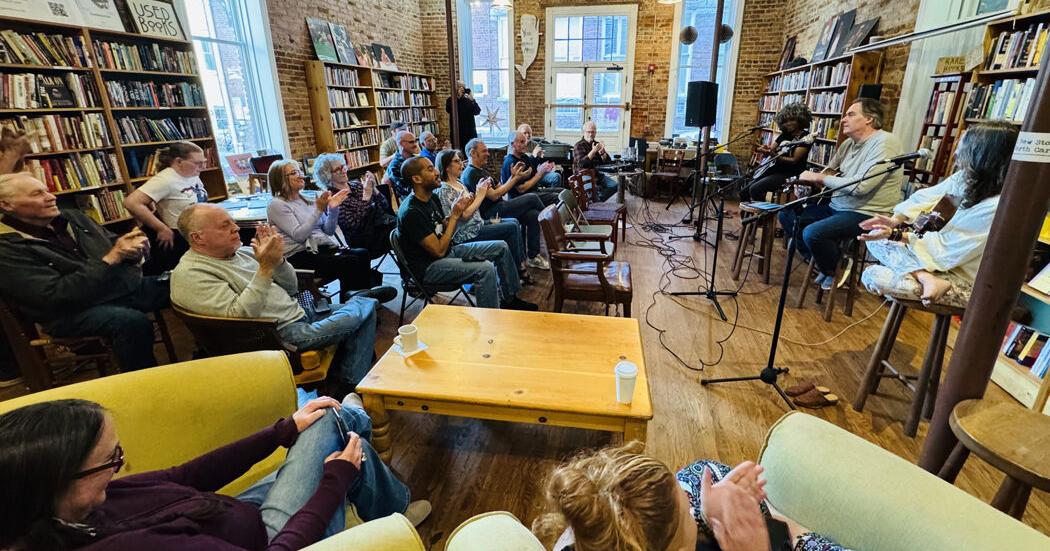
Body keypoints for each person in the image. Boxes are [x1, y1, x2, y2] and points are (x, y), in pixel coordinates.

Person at [0, 396, 431, 550]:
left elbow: (184, 476)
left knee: (327, 432)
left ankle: (386, 502)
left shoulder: (77, 508)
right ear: (58, 482)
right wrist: (333, 483)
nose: (122, 467)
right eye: (112, 459)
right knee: (334, 426)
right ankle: (392, 507)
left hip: (221, 515)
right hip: (269, 538)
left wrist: (281, 430)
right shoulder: (132, 545)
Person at [172, 203, 384, 390]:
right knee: (363, 310)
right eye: (224, 225)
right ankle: (362, 300)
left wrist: (278, 260)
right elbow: (239, 317)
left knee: (365, 314)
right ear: (197, 238)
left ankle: (349, 383)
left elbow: (292, 288)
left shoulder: (241, 252)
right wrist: (265, 268)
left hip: (300, 312)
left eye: (232, 222)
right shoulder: (192, 275)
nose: (236, 228)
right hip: (277, 337)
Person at [533, 443, 852, 551]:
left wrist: (709, 513)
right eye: (687, 513)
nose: (692, 506)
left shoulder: (588, 534)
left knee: (703, 471)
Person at [0, 172, 168, 372]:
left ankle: (206, 350)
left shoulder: (73, 217)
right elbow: (54, 295)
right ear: (6, 205)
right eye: (37, 194)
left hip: (116, 290)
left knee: (181, 283)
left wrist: (134, 250)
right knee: (131, 322)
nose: (51, 197)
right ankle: (145, 386)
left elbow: (114, 243)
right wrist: (110, 259)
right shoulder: (7, 248)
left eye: (47, 190)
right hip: (70, 313)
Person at [859, 122, 1017, 308]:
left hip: (962, 279)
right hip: (930, 265)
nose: (957, 153)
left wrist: (897, 235)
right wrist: (894, 221)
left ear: (982, 155)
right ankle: (924, 278)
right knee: (874, 239)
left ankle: (919, 277)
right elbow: (924, 196)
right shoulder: (965, 179)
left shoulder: (998, 206)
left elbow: (947, 249)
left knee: (873, 275)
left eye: (963, 146)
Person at [778, 98, 904, 291]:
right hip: (838, 206)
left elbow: (861, 187)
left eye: (851, 114)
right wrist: (805, 179)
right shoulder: (848, 145)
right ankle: (828, 263)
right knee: (786, 214)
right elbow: (829, 171)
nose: (843, 119)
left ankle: (836, 267)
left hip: (866, 212)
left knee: (813, 233)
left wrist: (817, 177)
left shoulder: (885, 142)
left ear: (870, 119)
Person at [396, 156, 537, 310]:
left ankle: (510, 300)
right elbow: (438, 251)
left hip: (448, 251)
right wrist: (456, 215)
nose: (437, 172)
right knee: (485, 268)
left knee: (501, 247)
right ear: (416, 178)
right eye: (430, 169)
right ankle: (492, 322)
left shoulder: (432, 198)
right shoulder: (411, 212)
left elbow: (442, 225)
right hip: (428, 267)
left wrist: (459, 210)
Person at [267, 159, 394, 303]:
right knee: (349, 262)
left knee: (362, 254)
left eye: (300, 171)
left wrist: (333, 210)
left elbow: (329, 230)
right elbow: (299, 235)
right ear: (280, 179)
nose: (301, 175)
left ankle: (364, 301)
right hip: (297, 256)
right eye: (294, 172)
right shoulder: (277, 205)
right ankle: (352, 306)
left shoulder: (308, 198)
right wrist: (319, 210)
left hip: (319, 249)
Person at [433, 149, 528, 278]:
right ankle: (517, 271)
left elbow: (468, 207)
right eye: (456, 161)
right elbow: (463, 216)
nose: (461, 163)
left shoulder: (459, 183)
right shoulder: (444, 190)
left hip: (478, 224)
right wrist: (480, 194)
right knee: (511, 228)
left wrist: (477, 193)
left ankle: (518, 265)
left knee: (514, 222)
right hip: (467, 233)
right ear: (447, 167)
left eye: (460, 160)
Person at [122, 141, 208, 275]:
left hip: (193, 232)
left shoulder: (191, 174)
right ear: (179, 161)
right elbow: (131, 202)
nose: (202, 167)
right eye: (197, 163)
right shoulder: (165, 179)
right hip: (177, 238)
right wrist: (161, 228)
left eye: (204, 162)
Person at [463, 138, 549, 269]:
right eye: (484, 151)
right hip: (490, 214)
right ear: (473, 153)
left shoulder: (482, 170)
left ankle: (533, 256)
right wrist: (515, 179)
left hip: (500, 206)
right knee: (532, 197)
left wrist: (514, 177)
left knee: (533, 215)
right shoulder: (471, 173)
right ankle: (552, 227)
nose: (488, 153)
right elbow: (494, 195)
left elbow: (501, 188)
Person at [313, 153, 395, 259]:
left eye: (343, 166)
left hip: (382, 227)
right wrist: (366, 197)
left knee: (407, 224)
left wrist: (374, 188)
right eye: (337, 169)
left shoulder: (356, 185)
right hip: (364, 241)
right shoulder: (334, 198)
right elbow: (354, 225)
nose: (343, 170)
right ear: (327, 175)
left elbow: (385, 206)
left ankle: (410, 269)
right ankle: (411, 270)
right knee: (403, 231)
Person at [739, 103, 813, 202]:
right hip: (774, 169)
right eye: (785, 121)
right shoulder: (785, 134)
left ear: (800, 119)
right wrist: (764, 149)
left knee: (755, 189)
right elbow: (771, 149)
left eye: (792, 120)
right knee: (744, 192)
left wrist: (774, 155)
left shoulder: (805, 137)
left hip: (790, 174)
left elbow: (794, 160)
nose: (788, 123)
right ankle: (748, 217)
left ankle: (765, 214)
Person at [503, 130, 561, 206]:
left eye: (525, 141)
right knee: (558, 198)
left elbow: (533, 176)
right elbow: (521, 189)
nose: (525, 144)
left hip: (533, 191)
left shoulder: (524, 157)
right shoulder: (510, 162)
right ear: (512, 144)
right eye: (522, 142)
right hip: (520, 198)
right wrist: (539, 173)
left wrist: (545, 169)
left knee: (563, 192)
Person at [572, 121, 618, 201]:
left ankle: (598, 200)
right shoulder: (578, 145)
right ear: (583, 132)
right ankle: (596, 201)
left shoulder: (597, 144)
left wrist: (603, 153)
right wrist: (593, 151)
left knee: (614, 185)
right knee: (595, 190)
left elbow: (608, 163)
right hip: (584, 175)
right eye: (588, 132)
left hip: (597, 174)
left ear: (595, 133)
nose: (590, 134)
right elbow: (582, 164)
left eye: (593, 132)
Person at [445, 80, 481, 149]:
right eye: (459, 87)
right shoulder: (450, 100)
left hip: (470, 132)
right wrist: (457, 98)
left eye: (463, 87)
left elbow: (477, 111)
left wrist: (472, 100)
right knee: (457, 153)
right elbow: (449, 110)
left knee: (471, 153)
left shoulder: (469, 100)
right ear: (455, 88)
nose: (462, 89)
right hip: (457, 133)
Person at [385, 130, 421, 200]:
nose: (415, 145)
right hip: (412, 201)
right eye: (411, 142)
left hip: (423, 194)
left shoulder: (416, 159)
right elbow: (405, 190)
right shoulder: (395, 165)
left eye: (415, 141)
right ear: (401, 143)